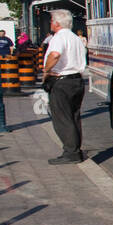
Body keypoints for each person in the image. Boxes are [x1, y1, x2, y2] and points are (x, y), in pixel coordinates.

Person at [42, 9, 88, 164]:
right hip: (76, 80)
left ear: (56, 23)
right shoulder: (76, 38)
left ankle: (71, 152)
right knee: (74, 117)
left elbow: (55, 54)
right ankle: (76, 149)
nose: (50, 24)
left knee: (62, 118)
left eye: (51, 21)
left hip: (62, 81)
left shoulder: (59, 37)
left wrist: (46, 71)